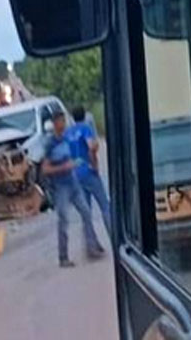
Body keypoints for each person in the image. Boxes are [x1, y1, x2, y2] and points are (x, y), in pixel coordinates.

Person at [41, 109, 106, 267]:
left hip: (73, 182)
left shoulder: (66, 139)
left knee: (86, 212)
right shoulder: (50, 144)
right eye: (60, 121)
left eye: (64, 121)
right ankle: (63, 256)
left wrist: (77, 163)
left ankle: (91, 246)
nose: (63, 124)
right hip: (61, 186)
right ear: (55, 123)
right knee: (63, 220)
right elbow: (45, 169)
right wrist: (63, 167)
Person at [67, 106, 112, 238]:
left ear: (73, 117)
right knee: (105, 206)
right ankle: (114, 237)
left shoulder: (68, 133)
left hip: (75, 174)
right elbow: (91, 146)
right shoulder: (85, 129)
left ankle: (91, 243)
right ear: (84, 116)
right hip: (88, 171)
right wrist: (95, 165)